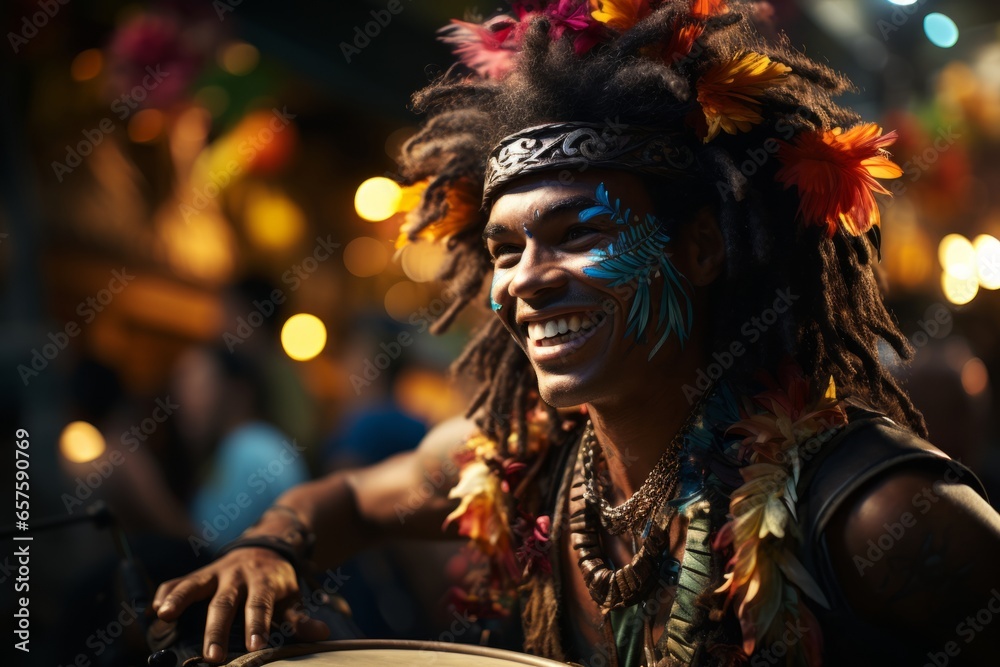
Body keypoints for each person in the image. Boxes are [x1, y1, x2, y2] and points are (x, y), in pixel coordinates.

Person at [152, 1, 1000, 665]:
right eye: (505, 249)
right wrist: (267, 549)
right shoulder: (520, 466)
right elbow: (339, 499)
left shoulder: (883, 517)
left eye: (579, 233)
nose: (524, 281)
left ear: (700, 248)